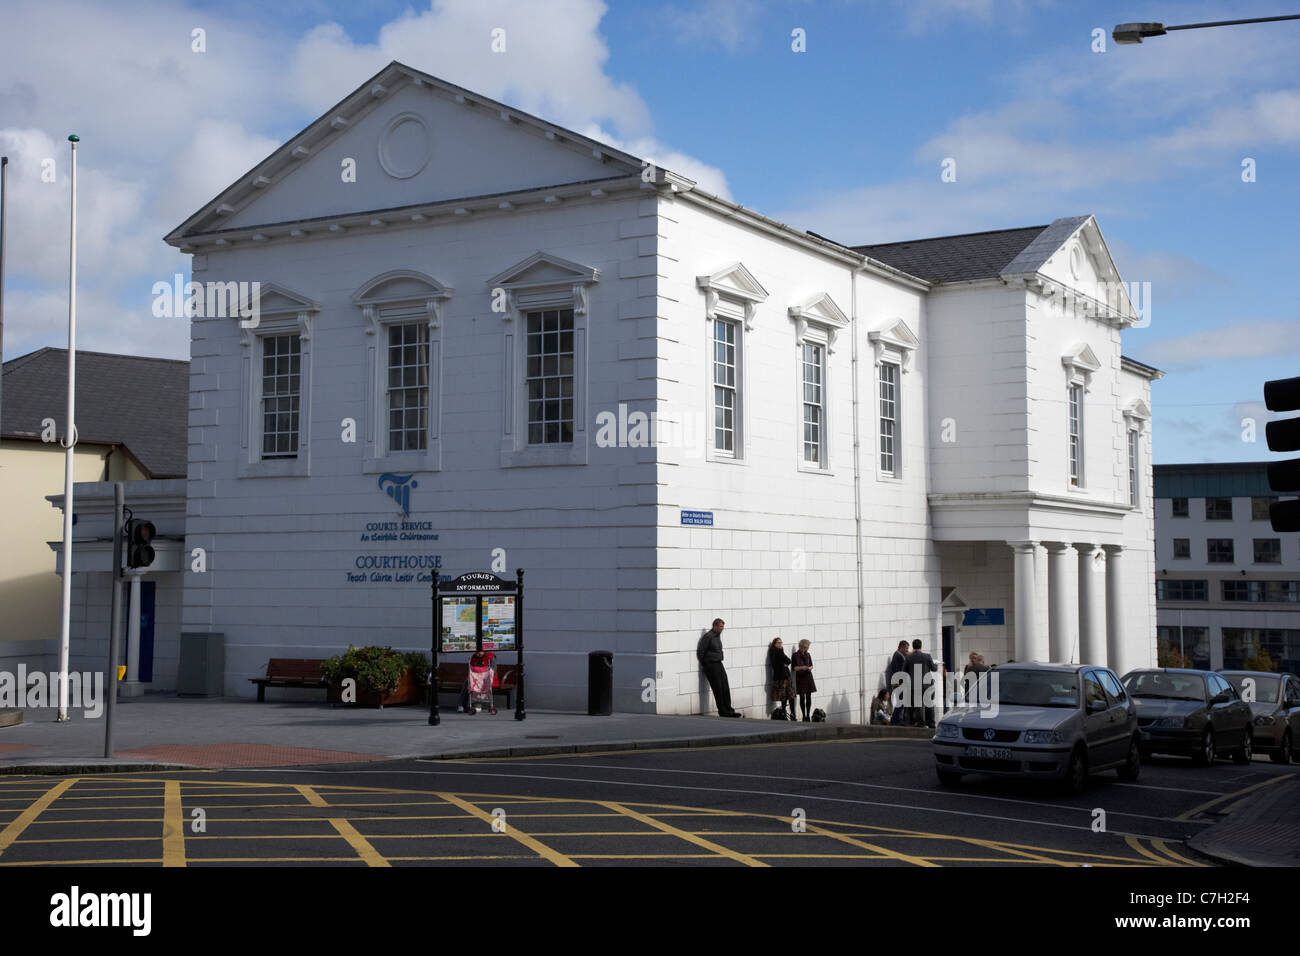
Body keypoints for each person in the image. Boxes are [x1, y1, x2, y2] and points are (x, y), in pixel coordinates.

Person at [697, 618, 742, 717]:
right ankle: (723, 711)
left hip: (718, 663)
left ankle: (729, 709)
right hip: (711, 665)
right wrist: (706, 664)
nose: (722, 629)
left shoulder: (717, 636)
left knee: (725, 686)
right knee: (718, 688)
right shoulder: (708, 636)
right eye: (720, 627)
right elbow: (700, 652)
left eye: (722, 627)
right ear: (715, 626)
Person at [905, 639, 939, 727]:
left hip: (915, 684)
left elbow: (904, 671)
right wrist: (936, 665)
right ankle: (931, 723)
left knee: (918, 704)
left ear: (913, 646)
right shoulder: (927, 656)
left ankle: (920, 723)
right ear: (921, 646)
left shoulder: (908, 657)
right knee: (929, 704)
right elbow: (934, 669)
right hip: (927, 684)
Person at [460, 649, 498, 716]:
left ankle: (477, 705)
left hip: (488, 678)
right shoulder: (474, 657)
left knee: (480, 684)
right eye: (476, 652)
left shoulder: (490, 657)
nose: (478, 654)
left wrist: (484, 676)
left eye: (479, 652)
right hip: (476, 678)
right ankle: (462, 705)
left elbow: (493, 670)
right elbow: (471, 669)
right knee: (467, 683)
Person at [768, 638, 795, 719]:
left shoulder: (778, 651)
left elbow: (789, 661)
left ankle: (791, 713)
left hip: (786, 676)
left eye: (781, 642)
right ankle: (786, 713)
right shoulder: (777, 651)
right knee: (785, 696)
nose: (780, 644)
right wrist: (784, 664)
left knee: (789, 695)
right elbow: (787, 660)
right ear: (774, 644)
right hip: (781, 677)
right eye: (778, 642)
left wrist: (785, 663)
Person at [792, 639, 817, 721]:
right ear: (802, 646)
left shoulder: (808, 654)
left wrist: (809, 668)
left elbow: (811, 665)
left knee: (808, 696)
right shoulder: (795, 655)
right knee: (802, 697)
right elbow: (794, 668)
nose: (807, 649)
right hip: (800, 678)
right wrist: (802, 667)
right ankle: (803, 715)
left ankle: (808, 715)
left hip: (808, 676)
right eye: (806, 647)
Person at [887, 640, 910, 725]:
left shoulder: (897, 654)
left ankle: (896, 719)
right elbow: (903, 670)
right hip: (900, 683)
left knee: (900, 702)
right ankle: (897, 720)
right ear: (901, 647)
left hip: (898, 683)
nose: (907, 650)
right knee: (901, 702)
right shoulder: (899, 656)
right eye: (906, 648)